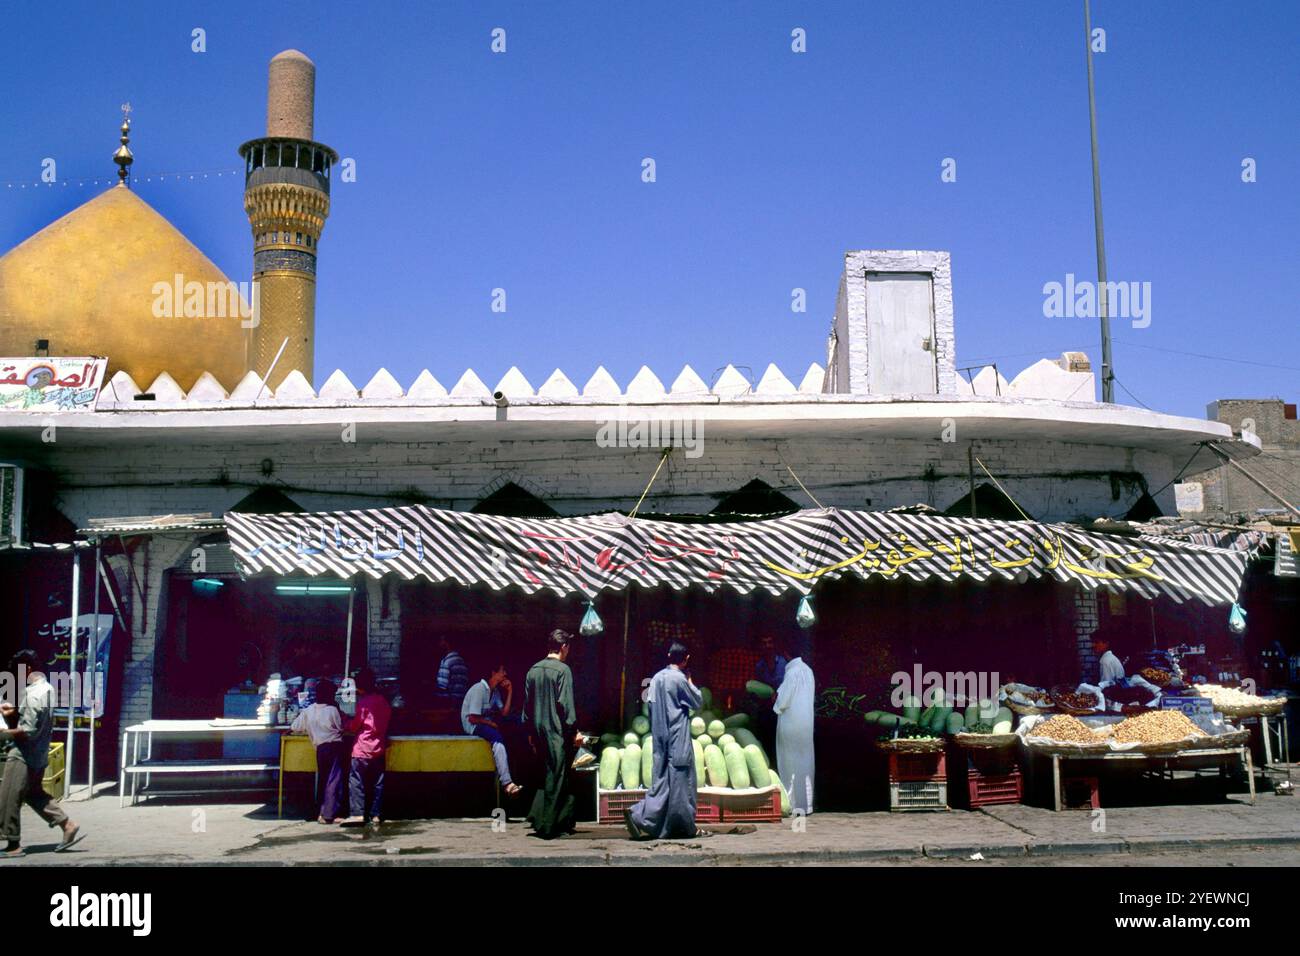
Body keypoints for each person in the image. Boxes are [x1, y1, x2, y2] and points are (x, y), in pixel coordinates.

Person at [0, 650, 84, 858]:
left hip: (23, 755)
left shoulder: (32, 693)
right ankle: (67, 824)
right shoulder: (47, 689)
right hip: (39, 753)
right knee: (34, 794)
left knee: (9, 798)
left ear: (27, 668)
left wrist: (3, 735)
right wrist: (14, 712)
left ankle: (13, 845)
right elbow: (36, 718)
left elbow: (27, 731)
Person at [626, 642, 704, 841]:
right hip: (678, 736)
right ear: (686, 659)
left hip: (659, 737)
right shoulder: (679, 679)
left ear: (669, 656)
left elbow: (650, 707)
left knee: (662, 781)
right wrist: (690, 680)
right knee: (681, 783)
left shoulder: (656, 678)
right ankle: (684, 827)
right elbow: (697, 701)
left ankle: (642, 816)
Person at [522, 629, 583, 839]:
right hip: (557, 732)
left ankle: (552, 820)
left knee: (546, 774)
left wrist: (530, 733)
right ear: (564, 647)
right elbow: (565, 706)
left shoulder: (533, 670)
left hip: (538, 732)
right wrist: (574, 731)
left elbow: (527, 707)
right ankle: (549, 827)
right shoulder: (563, 670)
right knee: (557, 776)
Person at [340, 667, 391, 828]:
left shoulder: (363, 704)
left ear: (361, 687)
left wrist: (345, 722)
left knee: (357, 782)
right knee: (378, 783)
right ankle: (376, 814)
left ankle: (357, 814)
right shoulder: (383, 701)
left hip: (362, 749)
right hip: (379, 748)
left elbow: (354, 726)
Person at [290, 678, 346, 823]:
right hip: (334, 747)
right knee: (334, 781)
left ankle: (321, 812)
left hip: (320, 748)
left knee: (323, 779)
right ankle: (328, 815)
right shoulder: (332, 710)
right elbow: (341, 727)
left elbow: (295, 726)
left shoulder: (309, 710)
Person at [461, 663, 522, 797]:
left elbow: (504, 712)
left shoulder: (495, 691)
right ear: (493, 673)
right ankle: (507, 783)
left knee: (515, 722)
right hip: (473, 726)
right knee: (497, 737)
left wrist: (510, 690)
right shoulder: (479, 689)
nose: (505, 674)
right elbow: (472, 718)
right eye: (502, 671)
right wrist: (490, 723)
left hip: (485, 723)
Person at [772, 635, 815, 815]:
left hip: (791, 725)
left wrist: (775, 698)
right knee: (805, 763)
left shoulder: (791, 673)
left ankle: (793, 804)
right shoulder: (807, 670)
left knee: (790, 764)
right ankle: (806, 804)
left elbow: (782, 702)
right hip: (806, 724)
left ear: (785, 654)